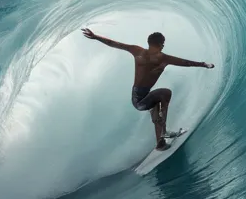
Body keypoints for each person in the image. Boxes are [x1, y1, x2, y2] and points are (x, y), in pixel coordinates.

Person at [82, 28, 214, 150]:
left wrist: (95, 37)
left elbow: (114, 44)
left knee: (157, 106)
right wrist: (204, 64)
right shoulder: (162, 58)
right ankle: (163, 134)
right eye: (162, 43)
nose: (163, 45)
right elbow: (186, 63)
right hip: (140, 99)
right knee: (165, 93)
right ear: (158, 44)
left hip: (139, 97)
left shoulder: (138, 51)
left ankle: (162, 138)